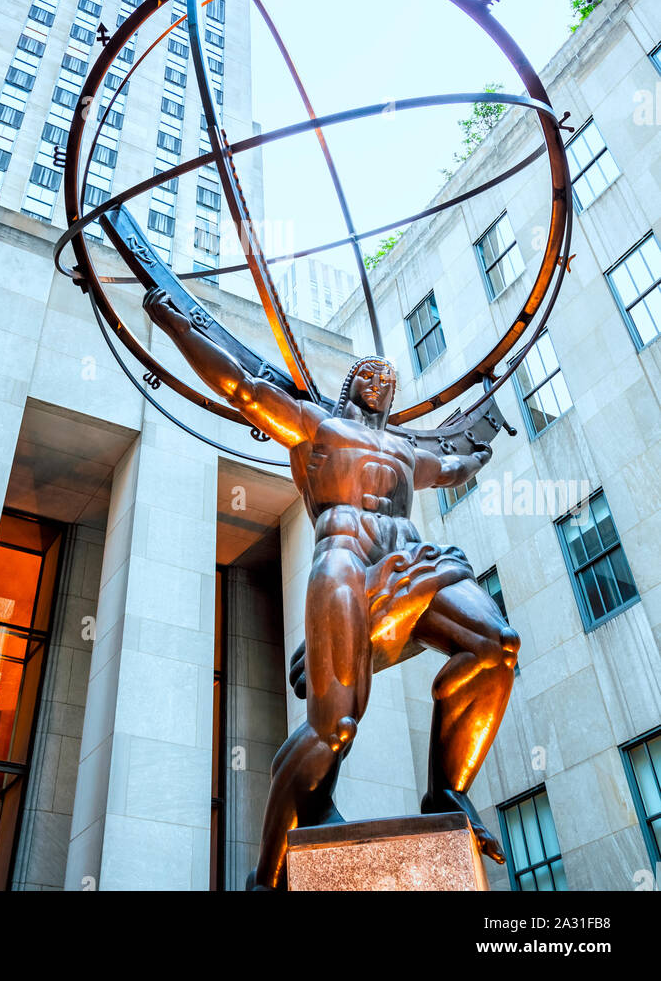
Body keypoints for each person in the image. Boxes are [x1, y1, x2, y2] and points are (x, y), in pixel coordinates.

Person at [144, 288, 519, 890]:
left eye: (388, 378)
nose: (382, 382)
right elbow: (242, 387)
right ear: (350, 384)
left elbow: (456, 464)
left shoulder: (406, 447)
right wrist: (177, 326)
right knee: (334, 727)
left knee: (496, 644)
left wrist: (488, 428)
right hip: (344, 563)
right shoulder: (315, 425)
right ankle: (265, 877)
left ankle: (446, 792)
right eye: (370, 375)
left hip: (410, 560)